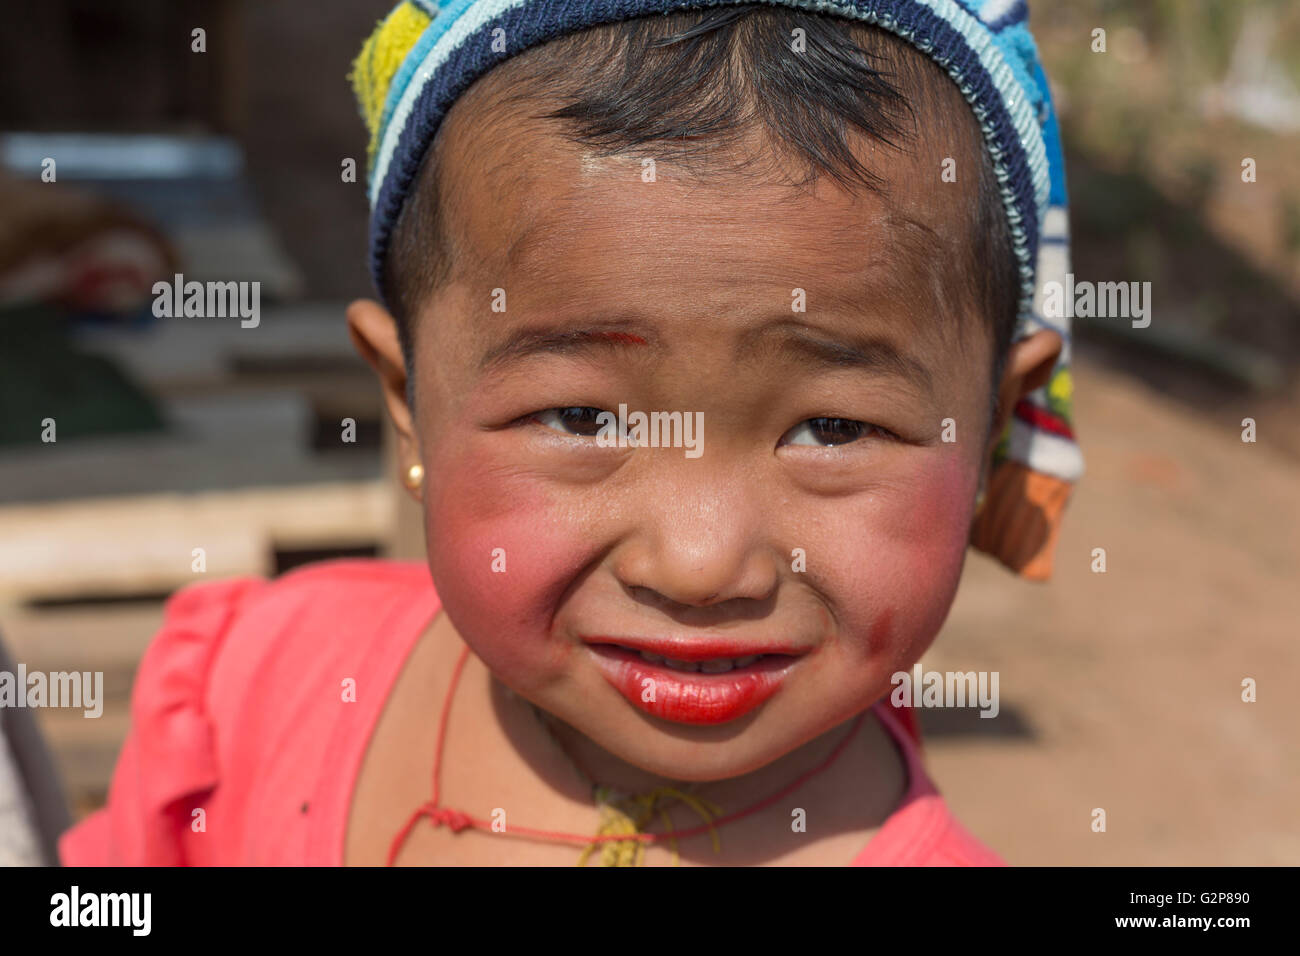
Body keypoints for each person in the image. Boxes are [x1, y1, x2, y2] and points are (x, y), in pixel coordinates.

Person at [60, 0, 1082, 866]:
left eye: (832, 427)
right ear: (407, 396)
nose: (698, 562)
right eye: (582, 415)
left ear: (987, 423)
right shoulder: (253, 687)